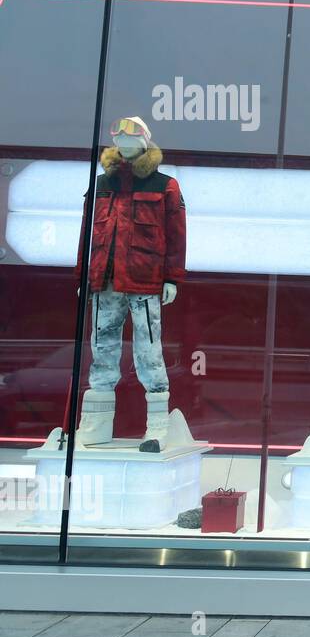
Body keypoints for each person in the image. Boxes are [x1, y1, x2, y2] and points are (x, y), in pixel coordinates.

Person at [71, 116, 186, 452]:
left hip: (144, 281)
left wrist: (172, 278)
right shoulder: (102, 185)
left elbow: (177, 236)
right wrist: (84, 276)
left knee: (148, 352)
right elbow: (86, 235)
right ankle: (97, 422)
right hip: (104, 281)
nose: (123, 137)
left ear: (146, 139)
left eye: (132, 132)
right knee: (102, 347)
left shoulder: (164, 185)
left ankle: (158, 426)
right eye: (117, 133)